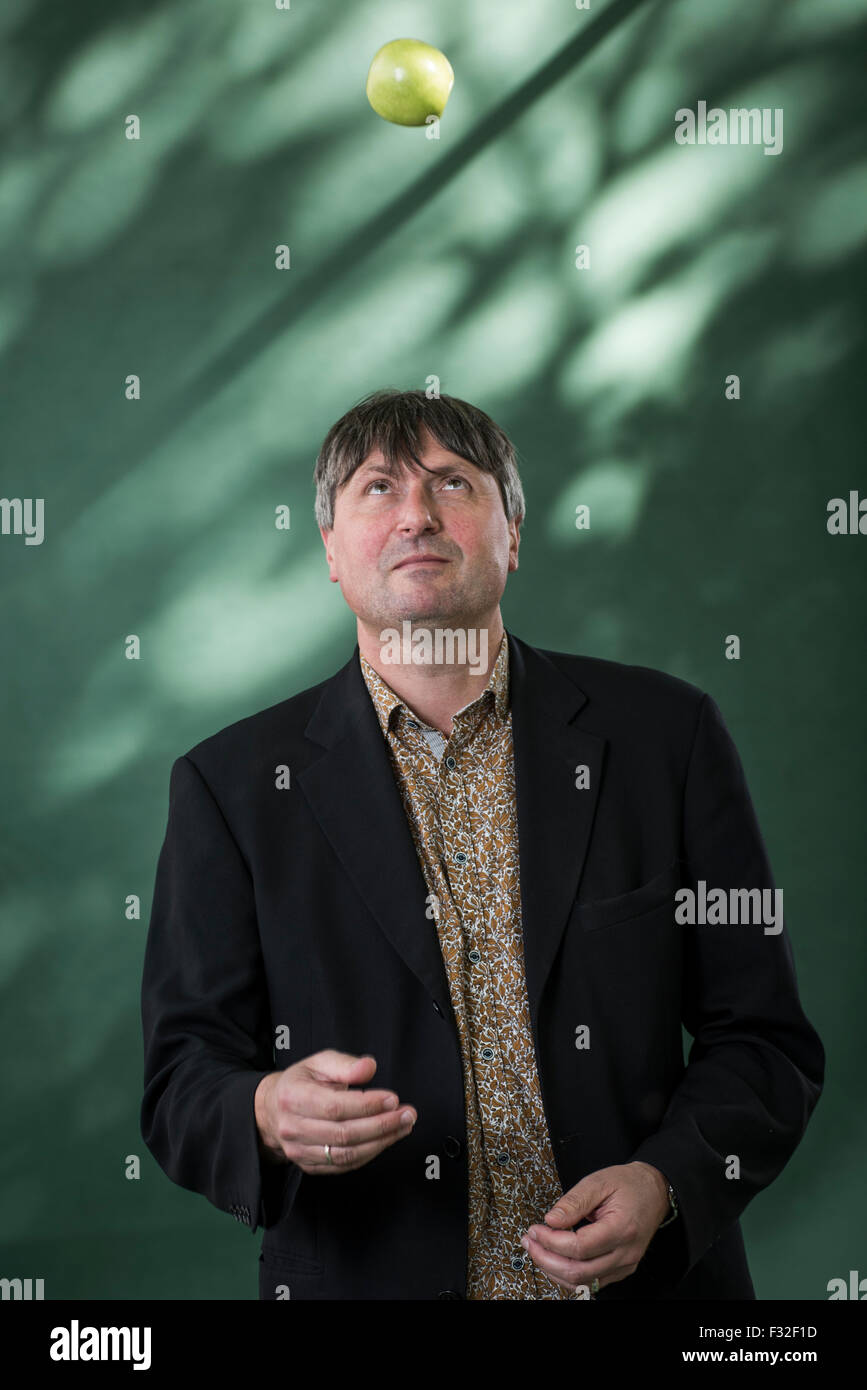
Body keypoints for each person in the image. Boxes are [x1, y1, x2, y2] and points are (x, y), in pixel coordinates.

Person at [140, 388, 824, 1301]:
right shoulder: (228, 788)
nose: (416, 513)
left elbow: (764, 1041)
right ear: (331, 553)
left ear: (512, 534)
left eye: (452, 483)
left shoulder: (667, 737)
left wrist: (666, 1184)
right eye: (377, 489)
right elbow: (182, 1078)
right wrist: (262, 1111)